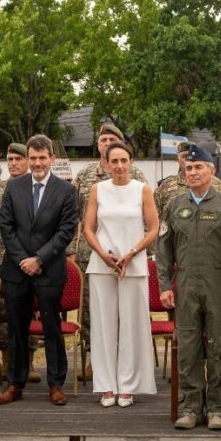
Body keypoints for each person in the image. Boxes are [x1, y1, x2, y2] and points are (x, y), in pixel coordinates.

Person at [156, 145, 221, 431]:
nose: (193, 172)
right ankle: (192, 407)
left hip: (217, 284)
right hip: (185, 285)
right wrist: (164, 285)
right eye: (189, 167)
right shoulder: (175, 205)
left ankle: (217, 408)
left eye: (199, 167)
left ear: (212, 170)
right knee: (188, 347)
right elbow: (163, 249)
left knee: (220, 345)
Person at [0, 135, 78, 406]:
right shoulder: (13, 187)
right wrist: (22, 259)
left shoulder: (66, 190)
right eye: (34, 158)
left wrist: (38, 259)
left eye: (43, 158)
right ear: (28, 159)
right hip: (16, 269)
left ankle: (56, 384)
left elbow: (66, 231)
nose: (38, 163)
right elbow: (5, 226)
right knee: (16, 329)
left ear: (52, 159)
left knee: (51, 328)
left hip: (49, 269)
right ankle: (15, 384)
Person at [82, 141, 159, 408]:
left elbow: (153, 228)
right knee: (103, 326)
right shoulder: (97, 190)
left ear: (131, 161)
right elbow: (89, 228)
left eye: (123, 160)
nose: (119, 166)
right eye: (113, 161)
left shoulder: (143, 190)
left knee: (133, 325)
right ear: (105, 164)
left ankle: (128, 385)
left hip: (133, 264)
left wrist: (131, 252)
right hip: (103, 263)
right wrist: (104, 254)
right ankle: (106, 386)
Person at [73, 122, 148, 380]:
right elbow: (77, 218)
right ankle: (95, 363)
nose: (107, 144)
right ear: (99, 148)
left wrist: (140, 253)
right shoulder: (84, 177)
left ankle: (126, 369)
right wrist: (74, 250)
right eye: (103, 141)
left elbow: (147, 220)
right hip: (91, 255)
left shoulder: (137, 177)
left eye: (111, 140)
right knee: (93, 314)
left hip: (130, 257)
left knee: (127, 316)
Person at [0, 142, 28, 381]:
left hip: (25, 260)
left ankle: (25, 365)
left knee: (27, 312)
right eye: (10, 159)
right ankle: (6, 364)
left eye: (18, 159)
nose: (13, 163)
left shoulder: (34, 187)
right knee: (0, 314)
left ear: (28, 161)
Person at [155, 138, 221, 232]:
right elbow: (155, 219)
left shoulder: (216, 183)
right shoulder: (165, 186)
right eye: (184, 156)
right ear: (178, 160)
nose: (188, 159)